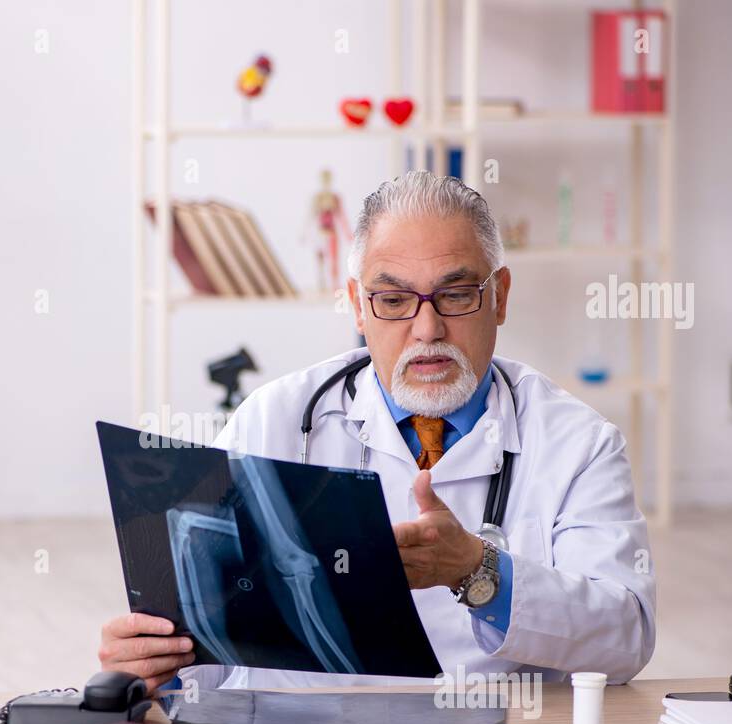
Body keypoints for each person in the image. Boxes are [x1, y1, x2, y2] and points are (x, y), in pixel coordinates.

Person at [99, 170, 656, 694]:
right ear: (358, 307)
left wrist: (477, 571)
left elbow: (625, 637)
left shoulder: (579, 443)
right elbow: (206, 648)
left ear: (500, 296)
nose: (427, 328)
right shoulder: (272, 419)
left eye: (456, 295)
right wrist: (157, 665)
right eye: (393, 301)